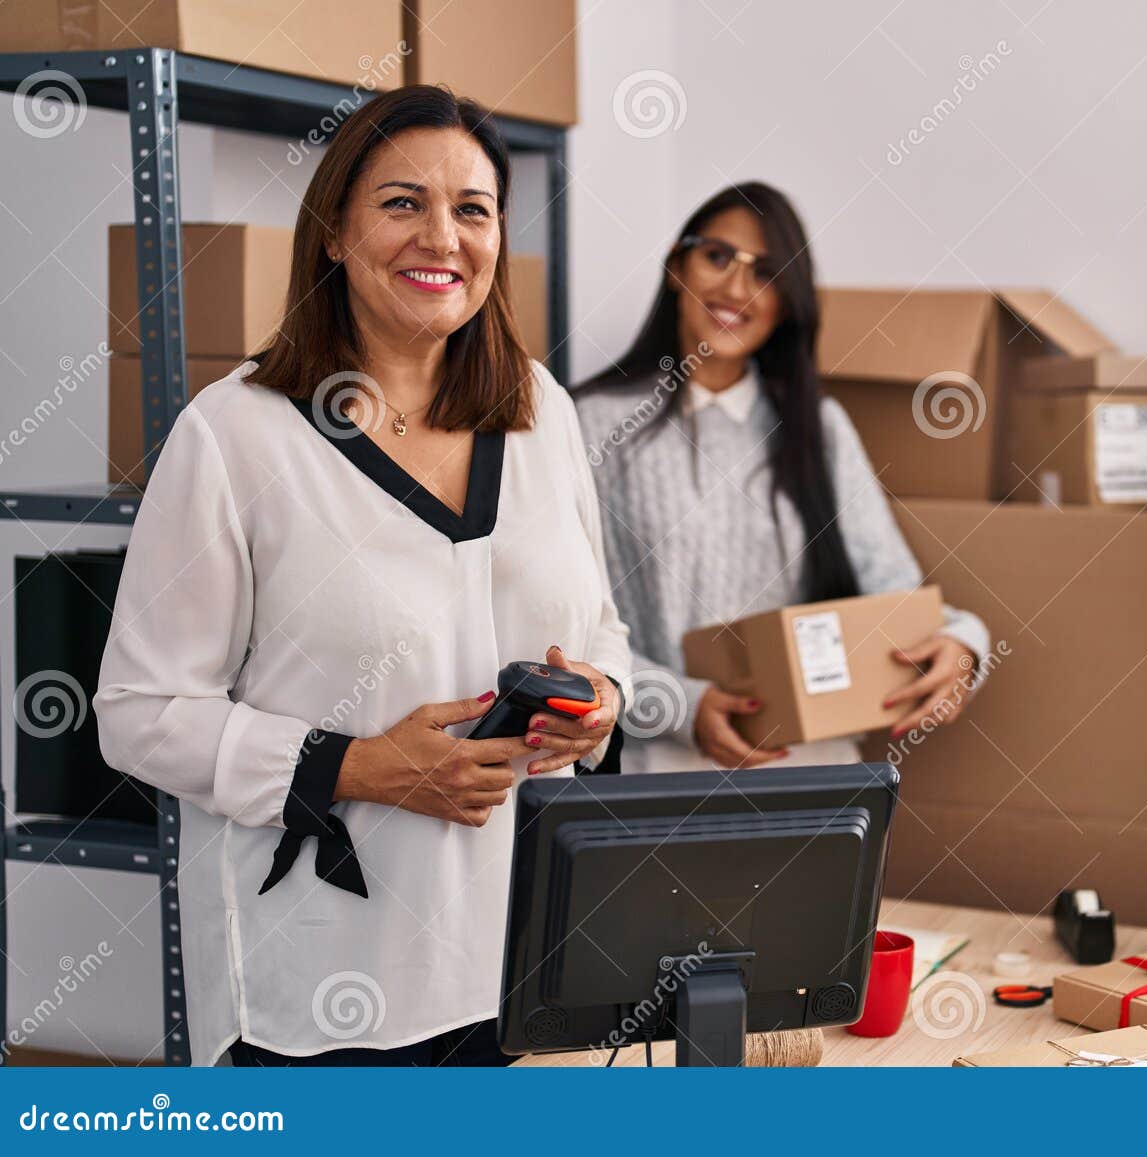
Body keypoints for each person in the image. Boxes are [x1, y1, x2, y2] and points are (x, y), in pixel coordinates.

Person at [93, 86, 629, 1067]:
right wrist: (357, 764)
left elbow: (600, 632)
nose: (443, 236)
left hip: (522, 964)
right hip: (323, 984)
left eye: (473, 208)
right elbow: (138, 709)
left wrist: (598, 700)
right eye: (401, 202)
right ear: (335, 231)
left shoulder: (540, 411)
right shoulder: (234, 434)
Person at [574, 182, 989, 772]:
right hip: (652, 775)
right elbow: (572, 624)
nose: (736, 288)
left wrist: (963, 642)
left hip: (808, 771)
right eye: (717, 257)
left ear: (787, 300)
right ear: (676, 266)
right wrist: (683, 708)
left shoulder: (817, 427)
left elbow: (892, 590)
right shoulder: (593, 424)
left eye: (766, 272)